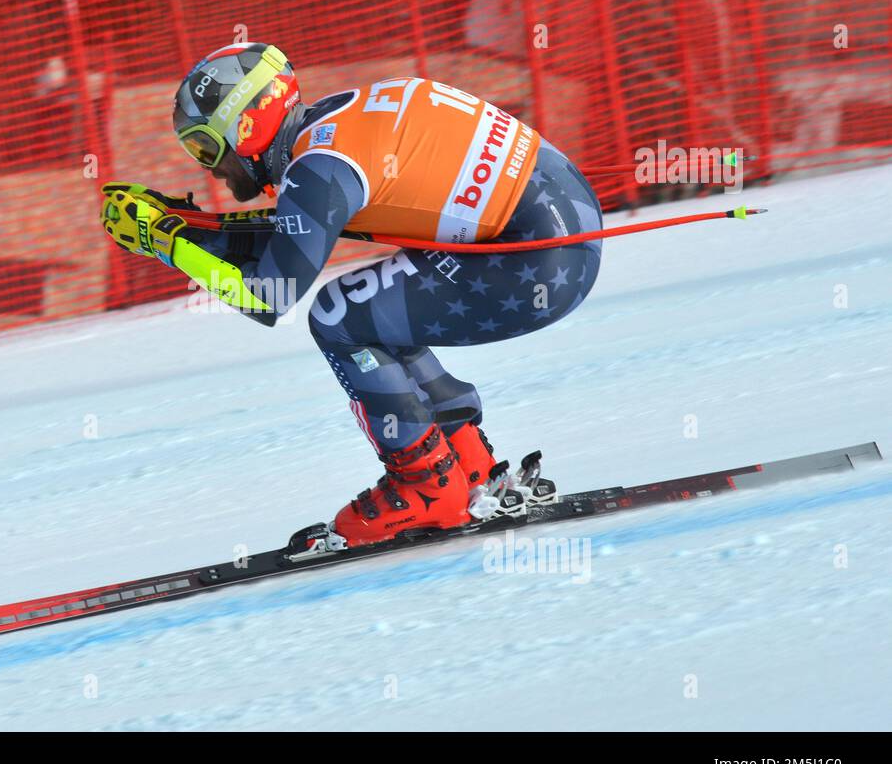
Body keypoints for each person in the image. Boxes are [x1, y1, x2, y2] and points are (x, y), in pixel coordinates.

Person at [100, 42, 602, 549]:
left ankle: (426, 486)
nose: (209, 169)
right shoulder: (329, 128)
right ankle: (470, 468)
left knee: (339, 314)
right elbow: (288, 237)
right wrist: (185, 227)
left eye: (206, 148)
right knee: (380, 309)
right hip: (555, 225)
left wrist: (163, 243)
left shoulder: (319, 169)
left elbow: (269, 293)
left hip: (537, 259)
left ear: (245, 127)